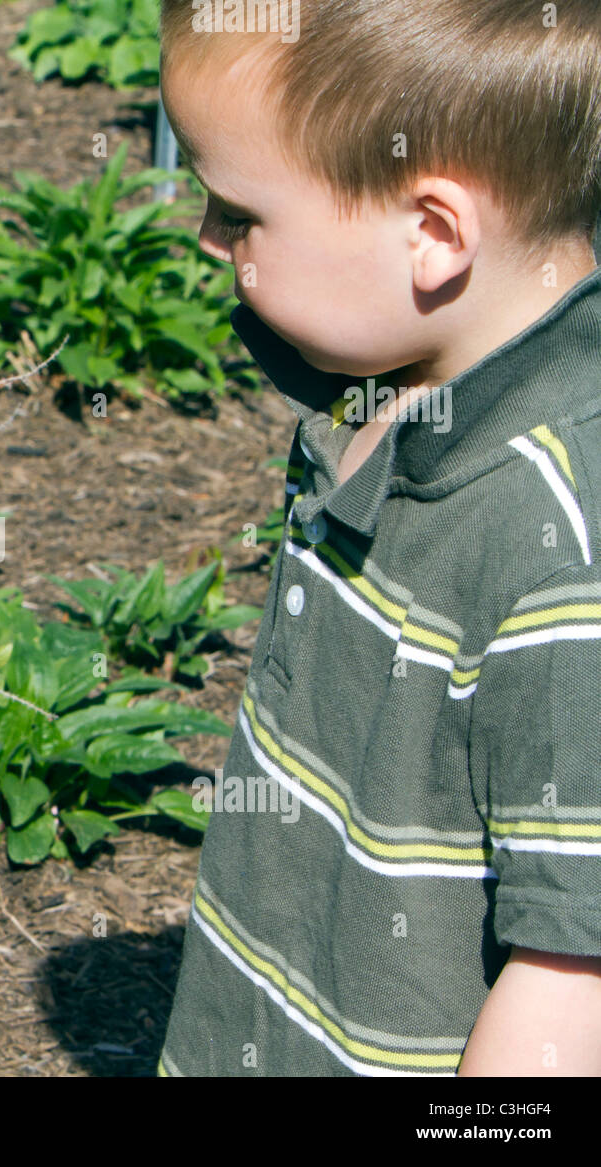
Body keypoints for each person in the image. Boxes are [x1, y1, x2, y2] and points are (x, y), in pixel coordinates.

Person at [156, 0, 601, 1075]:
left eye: (236, 212)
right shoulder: (392, 390)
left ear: (435, 234)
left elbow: (570, 979)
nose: (208, 240)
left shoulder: (556, 545)